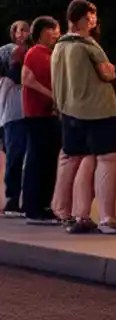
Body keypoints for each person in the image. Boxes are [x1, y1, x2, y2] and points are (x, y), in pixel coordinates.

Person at [51, 0, 116, 235]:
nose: (95, 20)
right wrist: (110, 70)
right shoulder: (88, 44)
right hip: (99, 110)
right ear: (85, 19)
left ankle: (74, 214)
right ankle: (108, 218)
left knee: (76, 159)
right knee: (107, 160)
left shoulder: (60, 46)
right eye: (92, 16)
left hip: (69, 110)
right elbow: (107, 73)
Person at [20, 17, 61, 225]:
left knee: (47, 161)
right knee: (39, 161)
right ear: (43, 31)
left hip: (48, 114)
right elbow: (26, 78)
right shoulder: (35, 52)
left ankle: (41, 206)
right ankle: (36, 208)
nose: (57, 34)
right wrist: (52, 96)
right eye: (54, 30)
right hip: (37, 115)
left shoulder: (49, 54)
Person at [1, 21, 32, 217]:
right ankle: (12, 199)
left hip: (31, 111)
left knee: (29, 157)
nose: (21, 33)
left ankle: (27, 199)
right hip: (13, 111)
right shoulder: (7, 51)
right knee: (14, 154)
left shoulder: (34, 51)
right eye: (17, 29)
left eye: (25, 29)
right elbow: (13, 74)